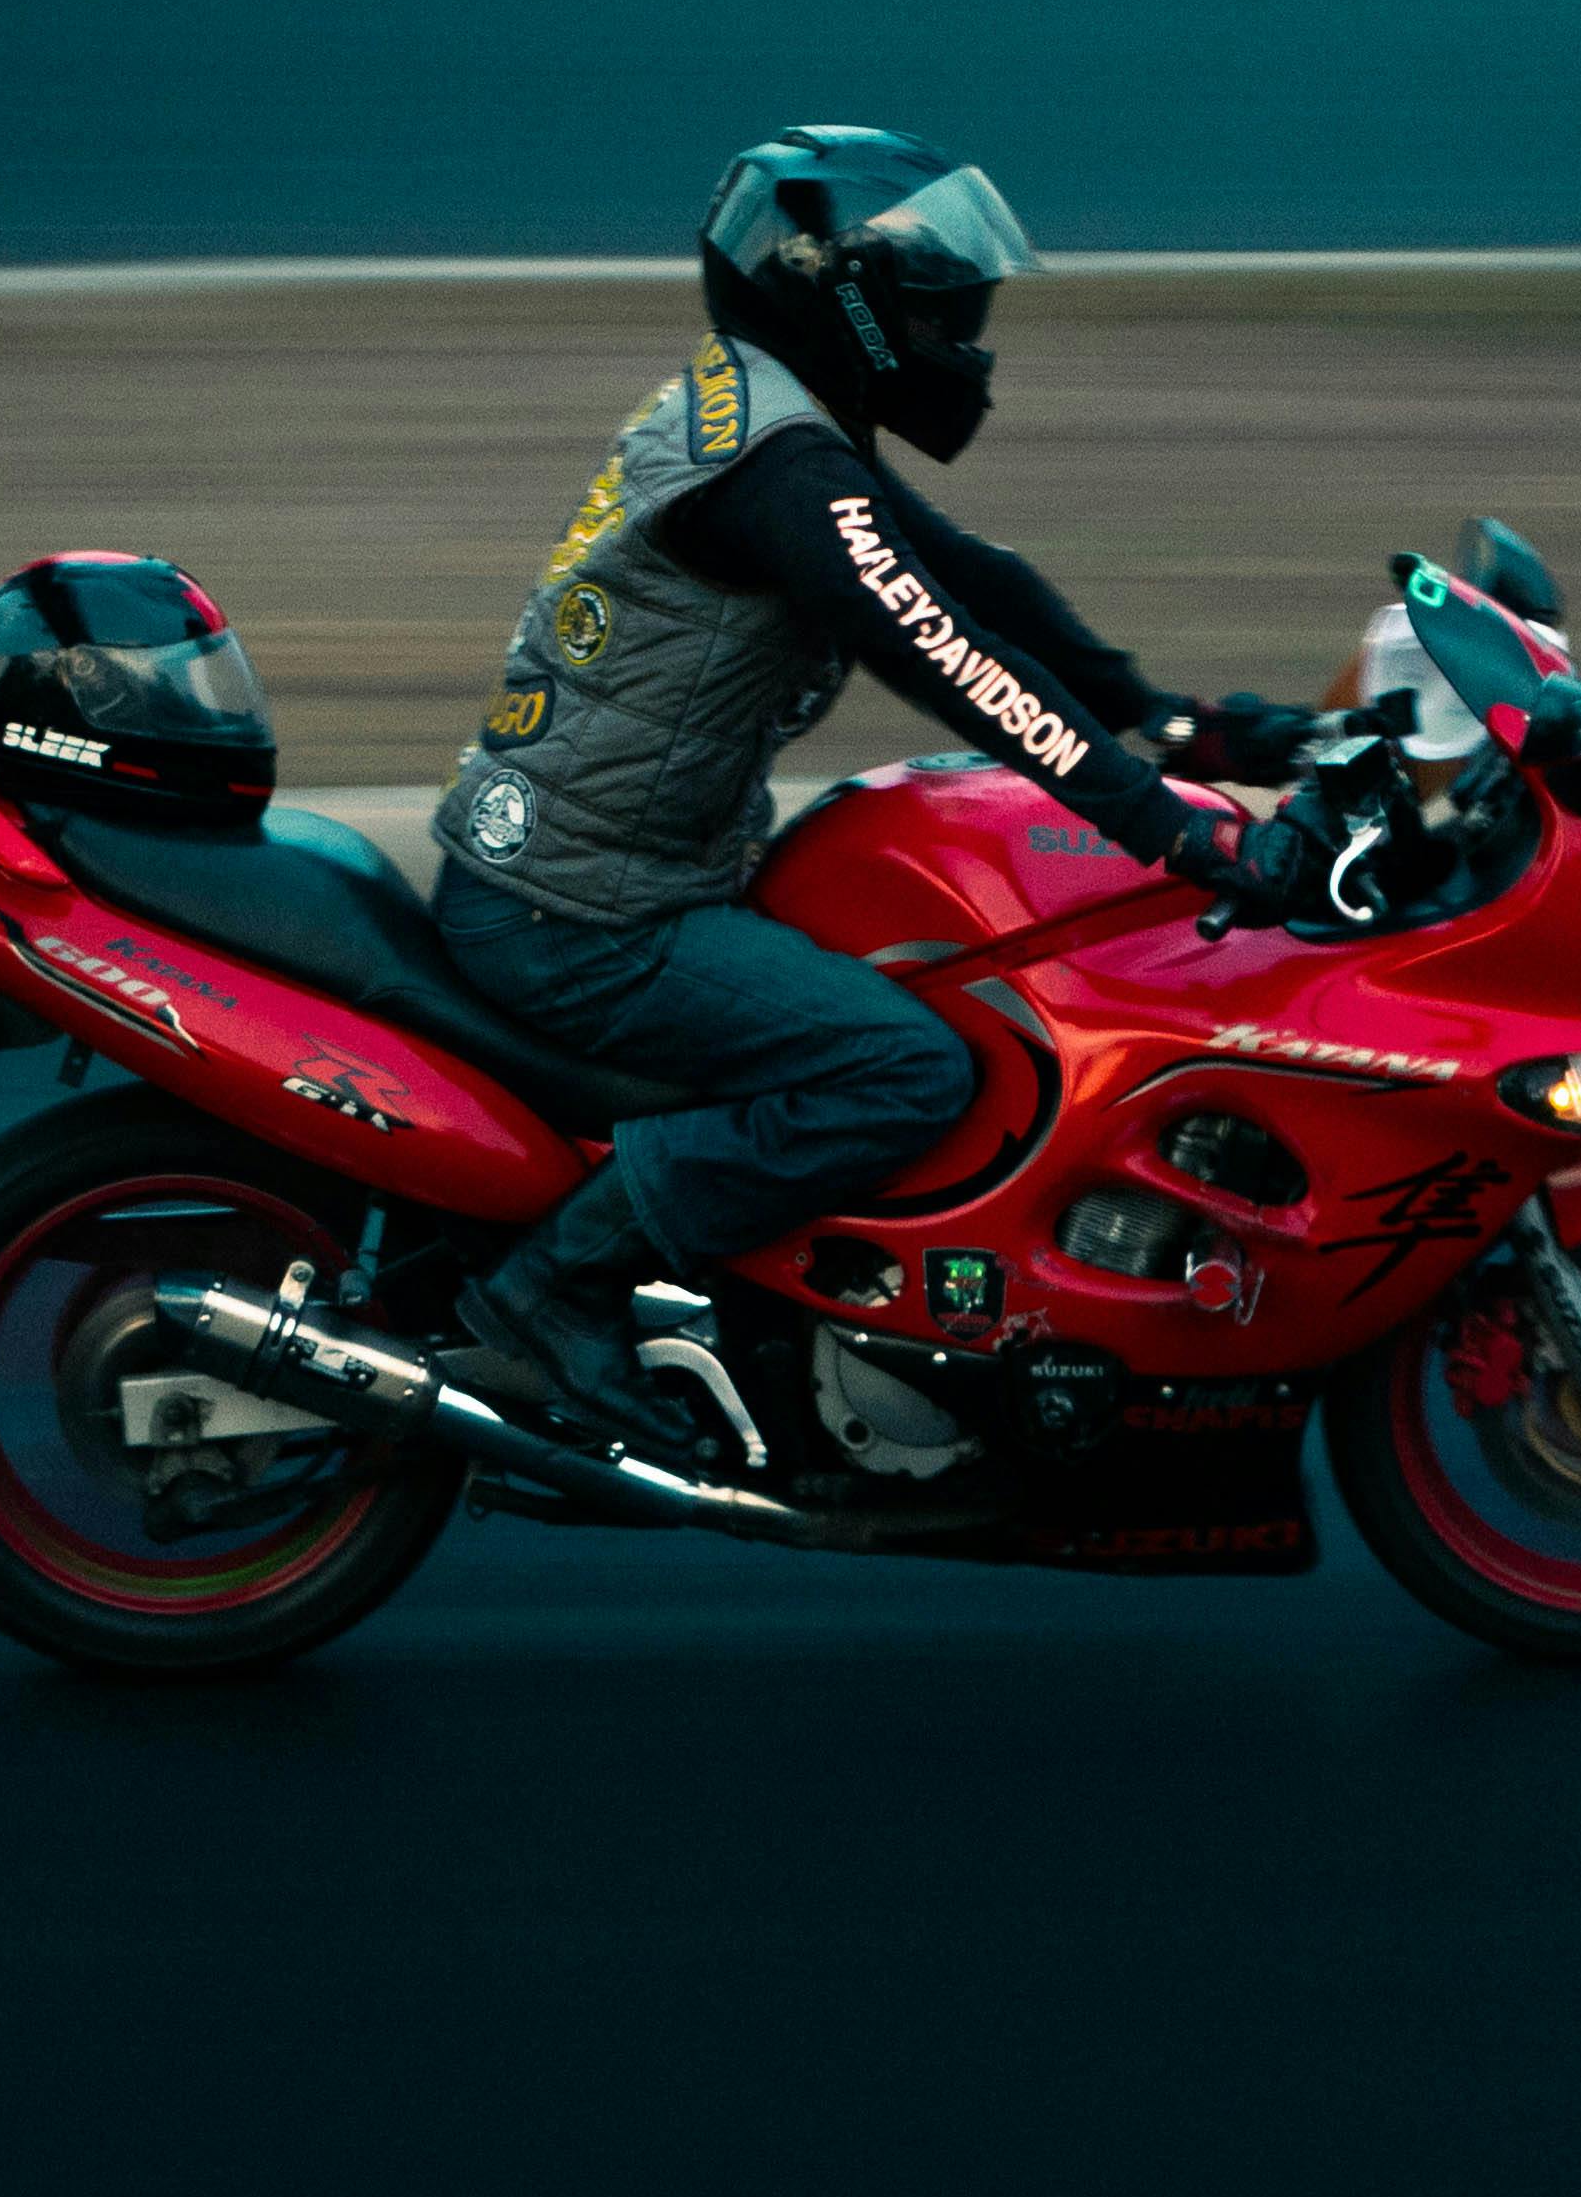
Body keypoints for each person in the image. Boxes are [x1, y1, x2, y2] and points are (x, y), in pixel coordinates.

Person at [428, 126, 1313, 1452]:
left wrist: (1193, 728)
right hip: (586, 916)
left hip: (586, 871)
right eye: (945, 309)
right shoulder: (786, 473)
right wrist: (1164, 823)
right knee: (903, 1066)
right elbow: (945, 652)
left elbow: (982, 585)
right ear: (843, 301)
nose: (969, 339)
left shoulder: (778, 423)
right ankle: (557, 1288)